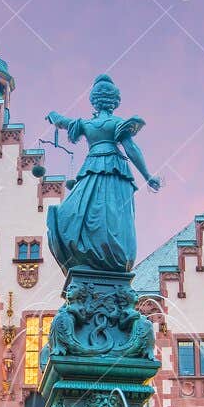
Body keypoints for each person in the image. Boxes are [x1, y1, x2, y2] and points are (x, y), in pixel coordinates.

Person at [44, 74, 160, 274]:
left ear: (94, 100)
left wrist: (53, 115)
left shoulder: (87, 125)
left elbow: (63, 121)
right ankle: (110, 253)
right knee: (112, 212)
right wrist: (147, 175)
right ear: (115, 102)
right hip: (116, 170)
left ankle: (89, 250)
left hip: (93, 167)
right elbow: (131, 149)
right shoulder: (116, 123)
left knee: (85, 209)